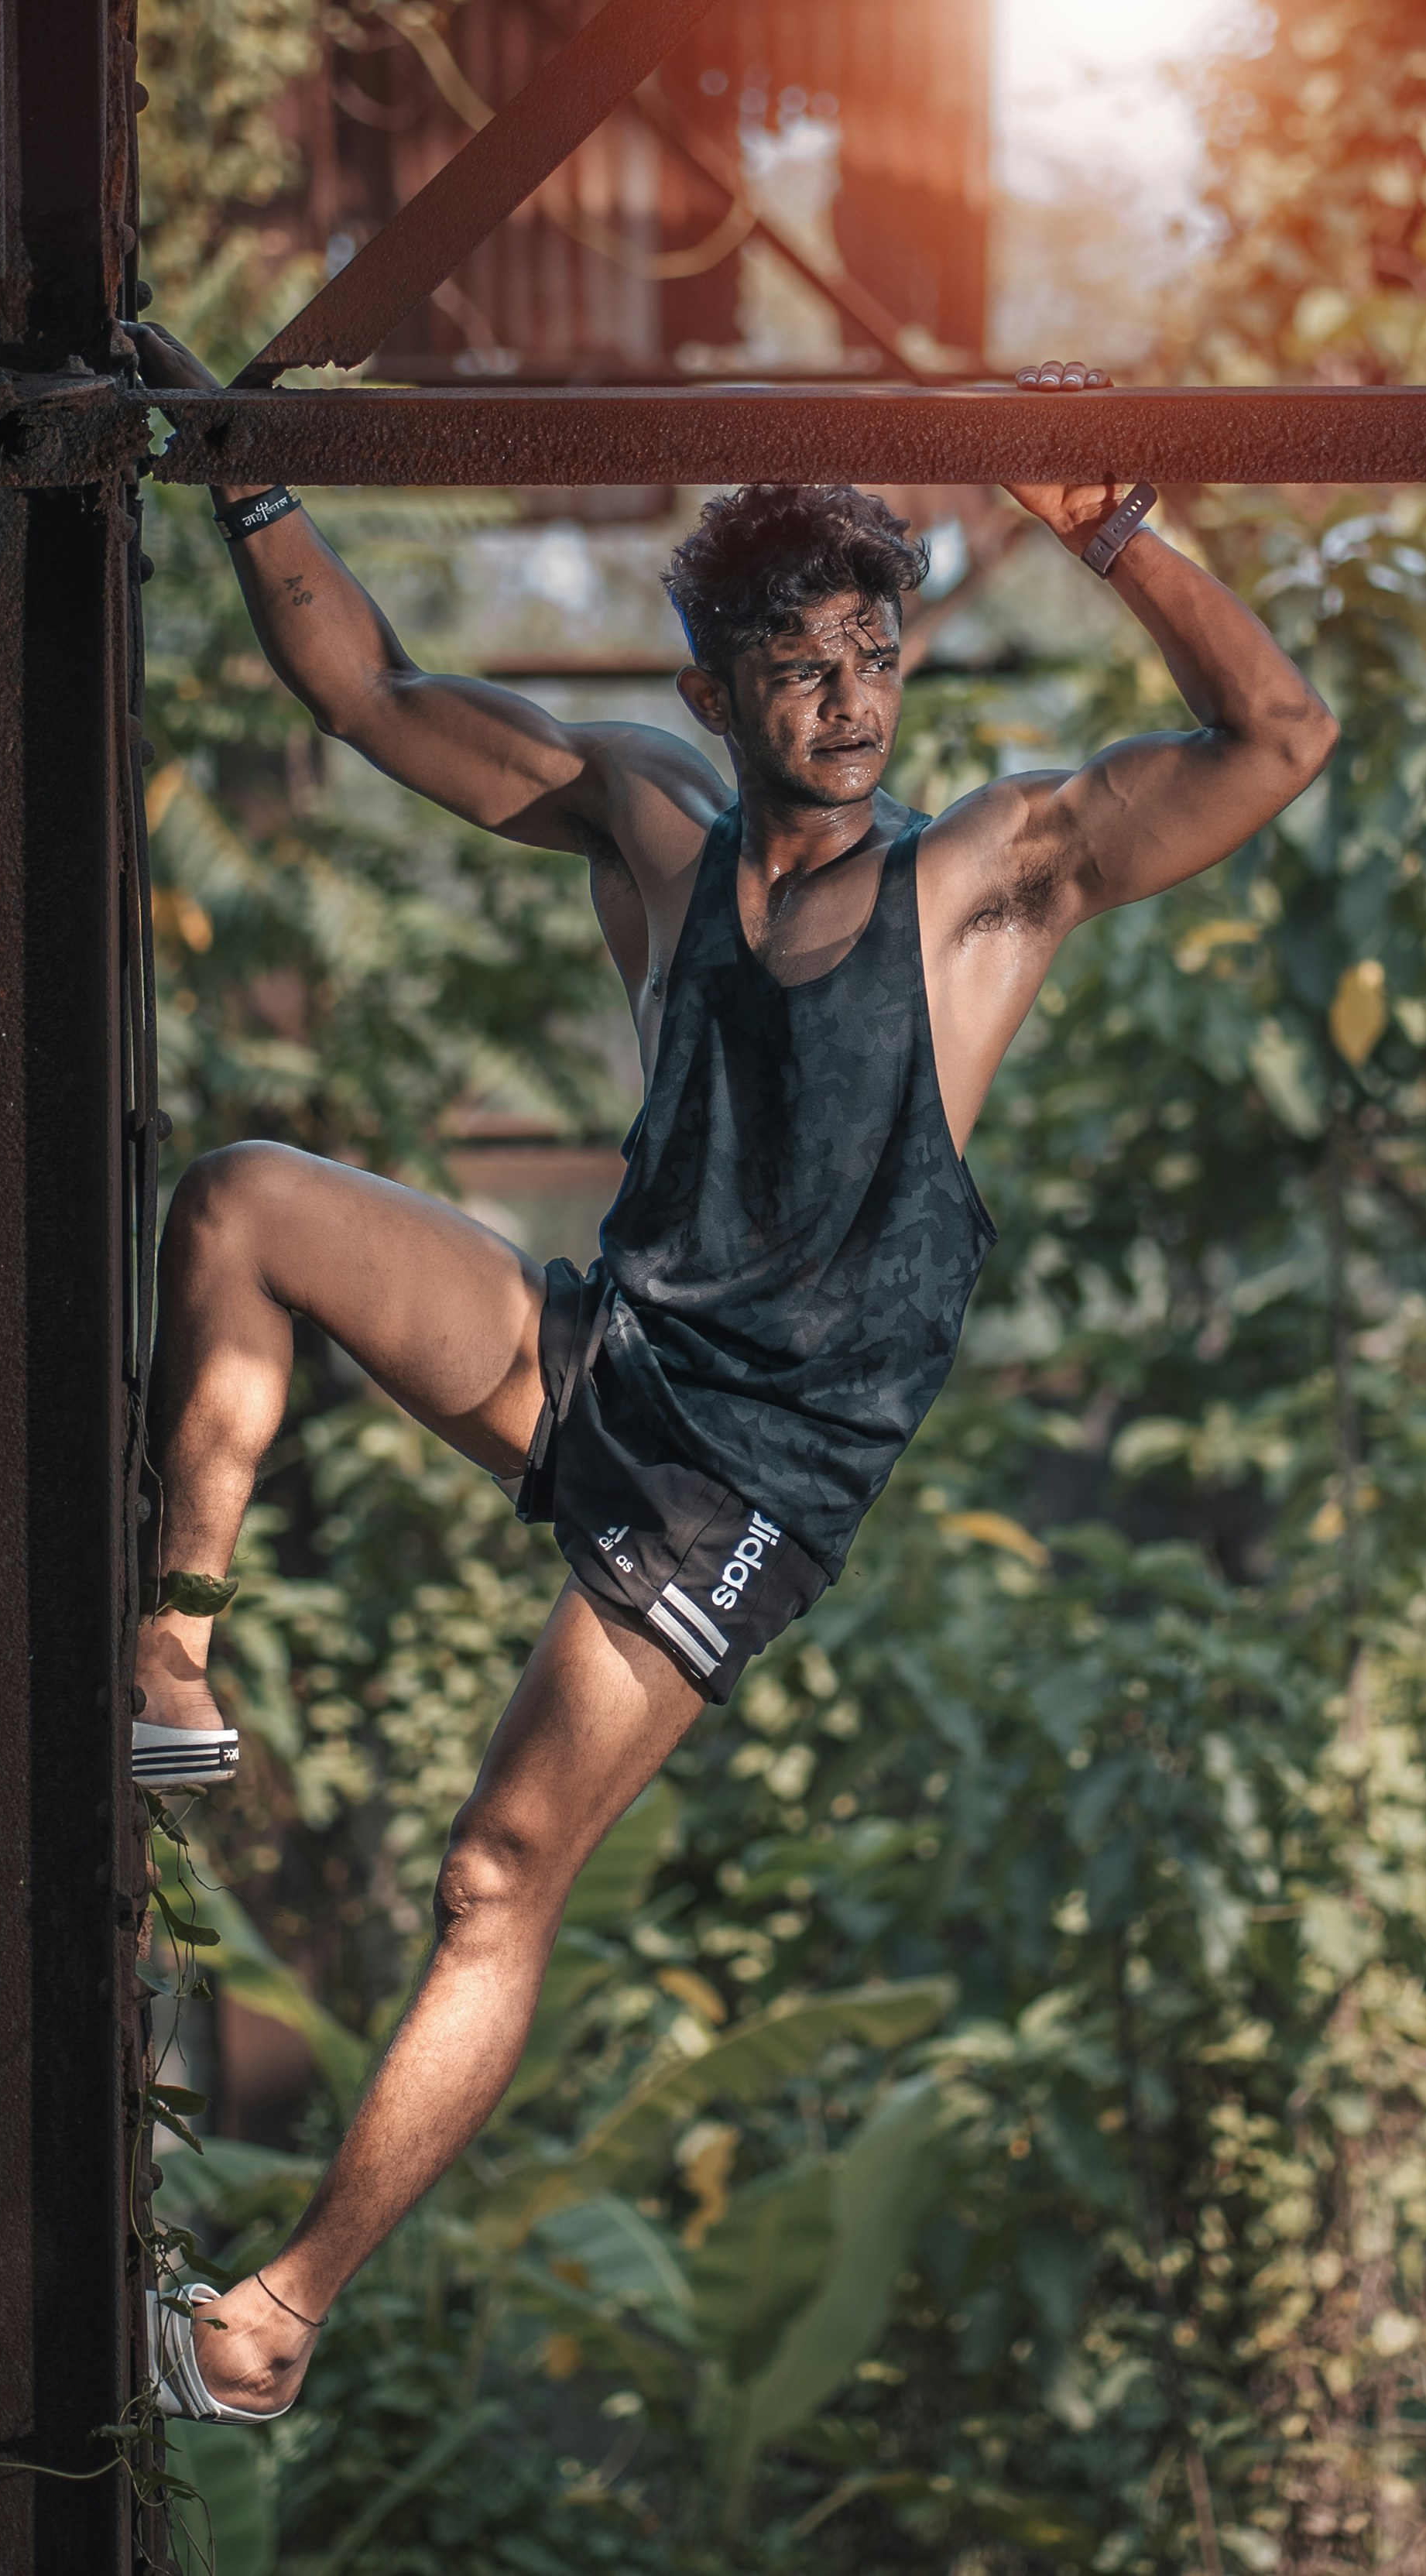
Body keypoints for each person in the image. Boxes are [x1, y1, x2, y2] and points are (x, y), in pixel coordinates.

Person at [128, 321, 1339, 2422]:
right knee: (241, 1203)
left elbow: (1279, 733)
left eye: (875, 656)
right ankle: (172, 1656)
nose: (849, 699)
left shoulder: (985, 881)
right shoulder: (653, 828)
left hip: (751, 1484)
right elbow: (366, 691)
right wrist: (245, 470)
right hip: (603, 1355)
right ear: (713, 694)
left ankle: (274, 2324)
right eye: (799, 665)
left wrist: (1115, 531)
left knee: (495, 1875)